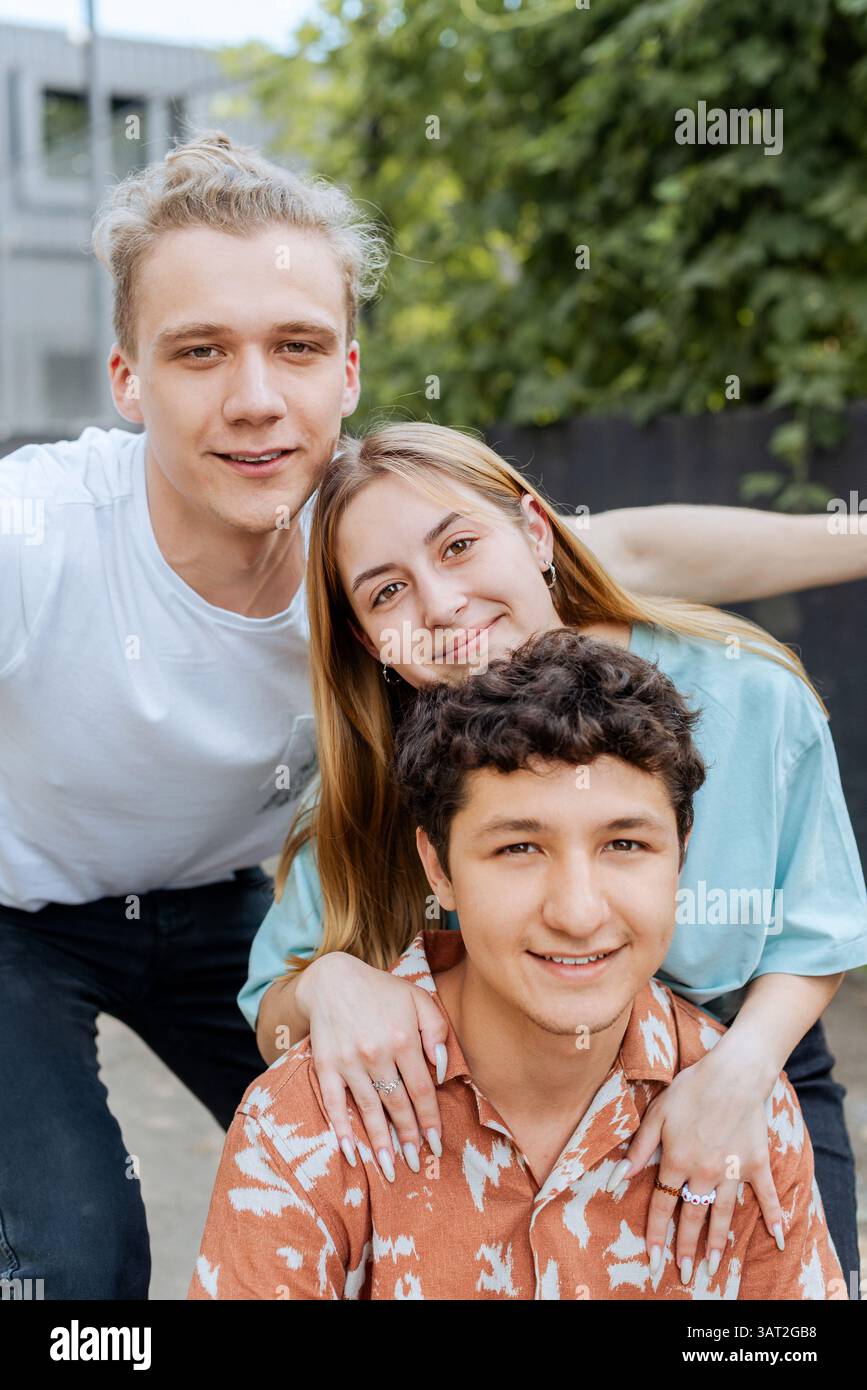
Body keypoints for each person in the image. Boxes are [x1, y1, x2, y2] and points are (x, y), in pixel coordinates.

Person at [1, 129, 864, 1303]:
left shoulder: (389, 538)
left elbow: (633, 542)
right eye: (199, 351)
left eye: (295, 346)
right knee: (76, 1262)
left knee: (438, 1152)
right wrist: (323, 984)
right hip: (24, 914)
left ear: (347, 371)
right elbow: (295, 984)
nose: (254, 397)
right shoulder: (39, 538)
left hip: (217, 901)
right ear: (128, 377)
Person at [243, 421, 867, 1300]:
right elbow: (273, 1009)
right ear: (365, 639)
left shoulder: (749, 694)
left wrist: (738, 1078)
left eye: (459, 546)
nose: (442, 603)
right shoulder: (373, 785)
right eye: (387, 593)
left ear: (535, 534)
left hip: (740, 1056)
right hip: (503, 1106)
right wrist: (327, 984)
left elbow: (818, 930)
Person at [191, 629, 846, 1300]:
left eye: (623, 843)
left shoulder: (742, 1111)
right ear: (438, 869)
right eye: (518, 850)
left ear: (680, 852)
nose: (577, 912)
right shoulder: (307, 1120)